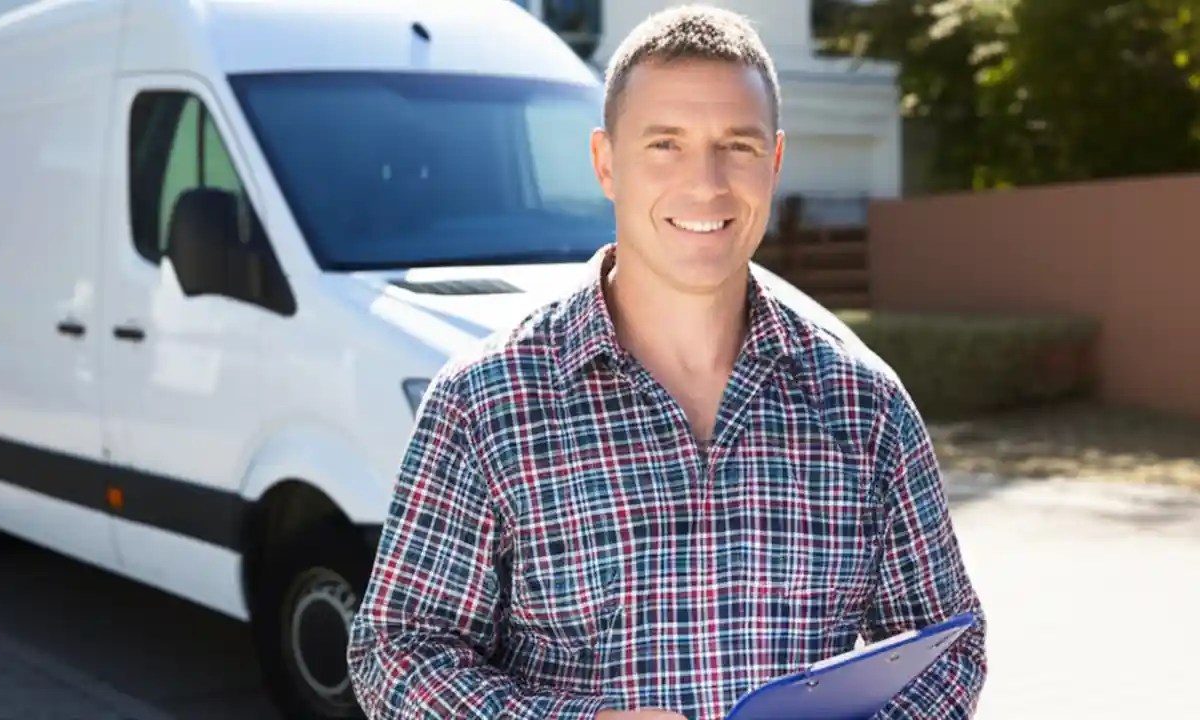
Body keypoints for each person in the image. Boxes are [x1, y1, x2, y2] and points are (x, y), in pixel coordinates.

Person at [347, 5, 987, 719]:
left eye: (736, 146)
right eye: (665, 145)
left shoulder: (866, 406)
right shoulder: (483, 403)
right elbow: (397, 651)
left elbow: (948, 646)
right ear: (605, 163)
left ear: (773, 162)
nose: (706, 183)